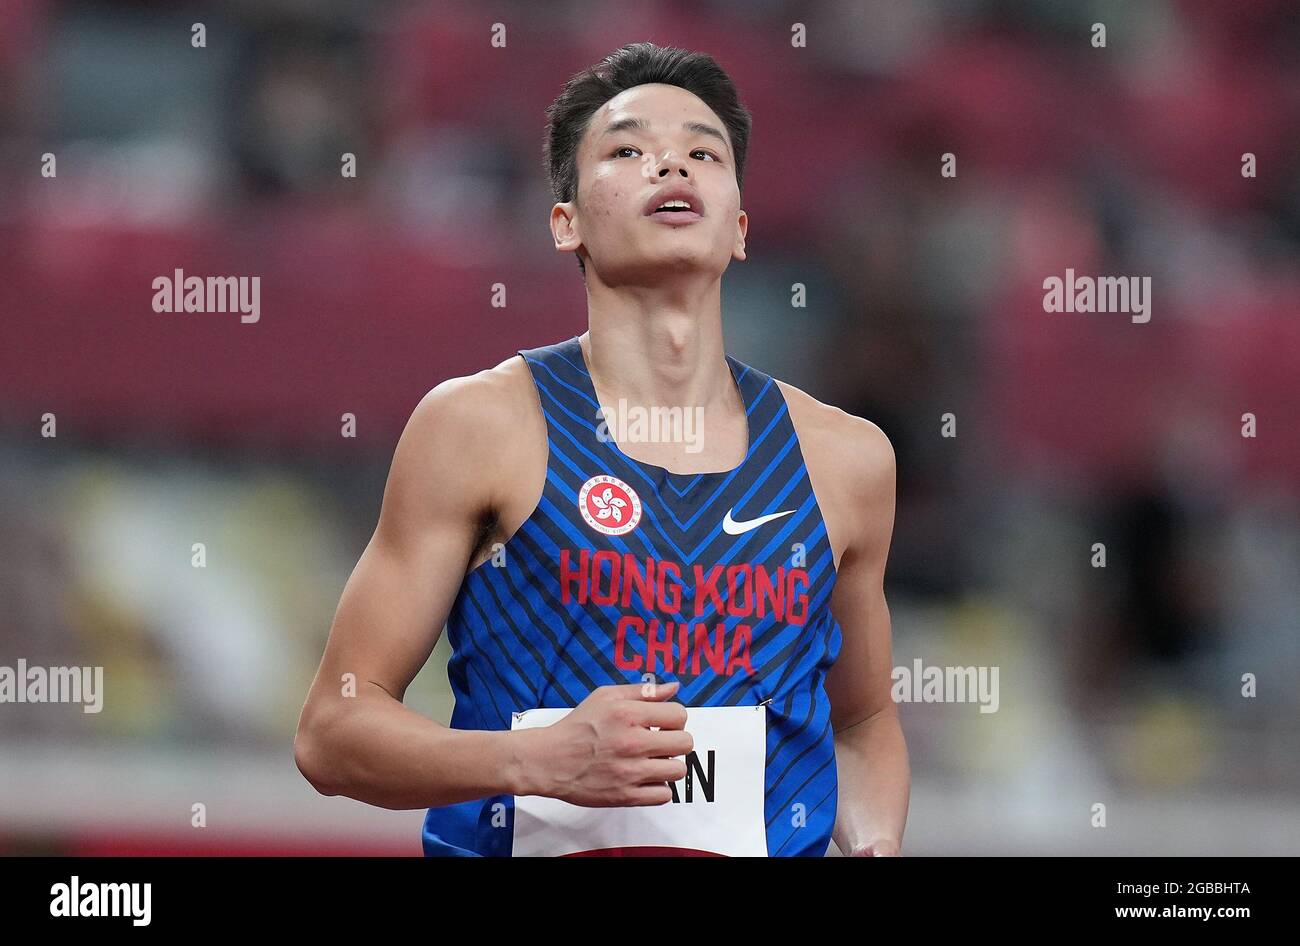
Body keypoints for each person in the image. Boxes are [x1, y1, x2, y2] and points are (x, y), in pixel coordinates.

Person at [294, 42, 908, 857]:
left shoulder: (846, 461)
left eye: (702, 151)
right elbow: (333, 732)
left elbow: (862, 720)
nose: (673, 166)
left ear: (741, 227)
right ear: (566, 222)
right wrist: (531, 760)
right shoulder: (480, 426)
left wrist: (873, 850)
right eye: (628, 150)